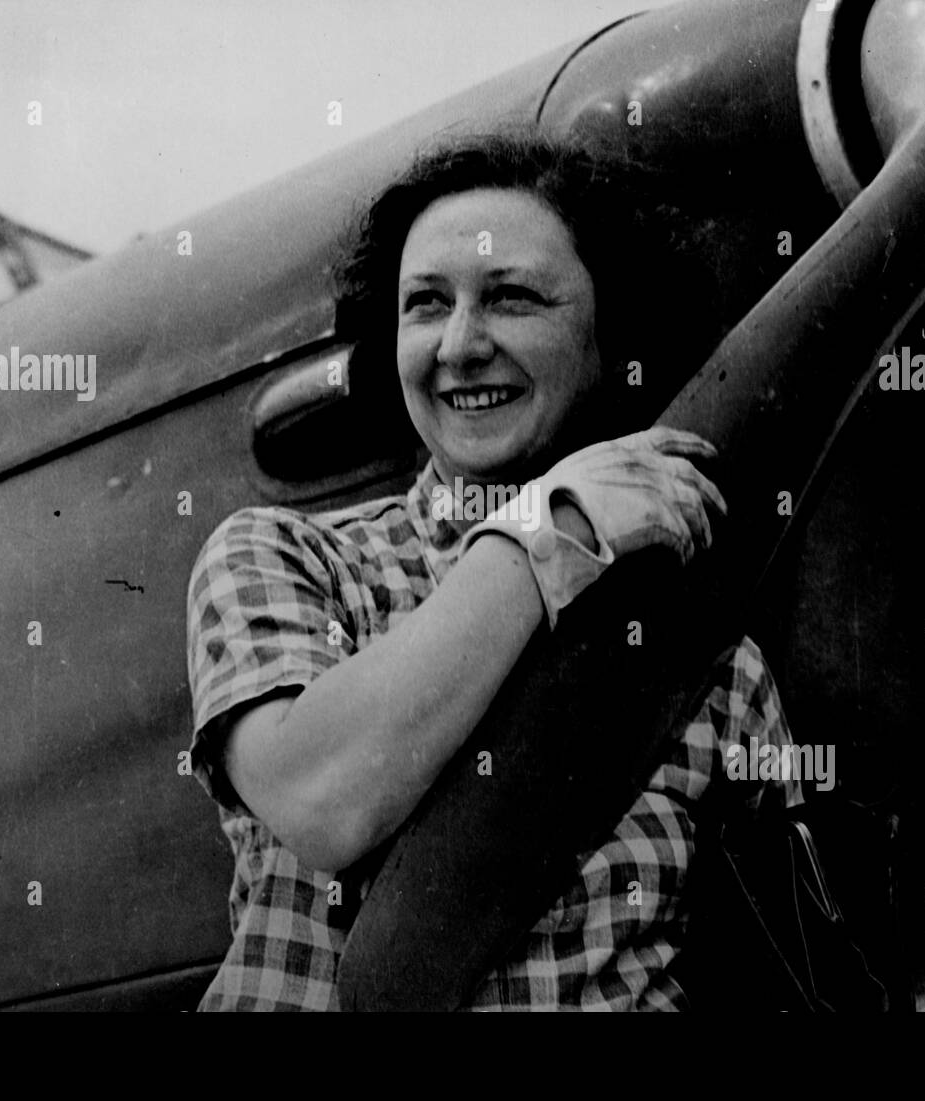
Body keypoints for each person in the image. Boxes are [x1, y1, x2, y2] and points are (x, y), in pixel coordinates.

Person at [185, 129, 803, 1011]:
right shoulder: (284, 558)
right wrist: (547, 532)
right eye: (426, 305)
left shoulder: (717, 666)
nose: (459, 344)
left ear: (610, 332)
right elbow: (324, 799)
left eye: (512, 298)